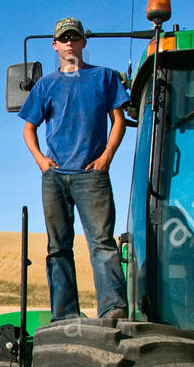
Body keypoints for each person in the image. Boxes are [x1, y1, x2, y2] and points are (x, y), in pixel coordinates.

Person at [18, 17, 129, 322]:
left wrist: (106, 157)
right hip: (55, 177)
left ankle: (113, 309)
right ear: (55, 45)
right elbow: (29, 128)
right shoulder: (46, 85)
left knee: (102, 243)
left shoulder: (104, 78)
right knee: (58, 247)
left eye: (74, 37)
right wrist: (41, 160)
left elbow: (118, 121)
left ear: (83, 43)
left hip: (92, 174)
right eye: (63, 38)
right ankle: (65, 315)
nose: (69, 42)